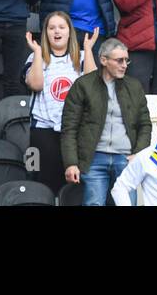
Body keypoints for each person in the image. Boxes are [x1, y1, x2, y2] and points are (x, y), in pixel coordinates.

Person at [60, 37, 152, 206]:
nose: (124, 65)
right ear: (103, 60)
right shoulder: (83, 85)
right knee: (94, 204)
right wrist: (71, 163)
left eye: (126, 60)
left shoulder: (134, 86)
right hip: (93, 157)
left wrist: (138, 154)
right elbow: (69, 127)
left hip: (126, 158)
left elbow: (145, 124)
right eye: (119, 60)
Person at [24, 11, 96, 194]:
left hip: (74, 131)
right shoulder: (34, 57)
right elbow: (36, 84)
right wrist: (38, 52)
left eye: (61, 27)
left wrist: (88, 50)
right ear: (45, 33)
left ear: (69, 31)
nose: (57, 31)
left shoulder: (80, 56)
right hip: (42, 130)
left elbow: (93, 87)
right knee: (43, 184)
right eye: (51, 28)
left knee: (75, 187)